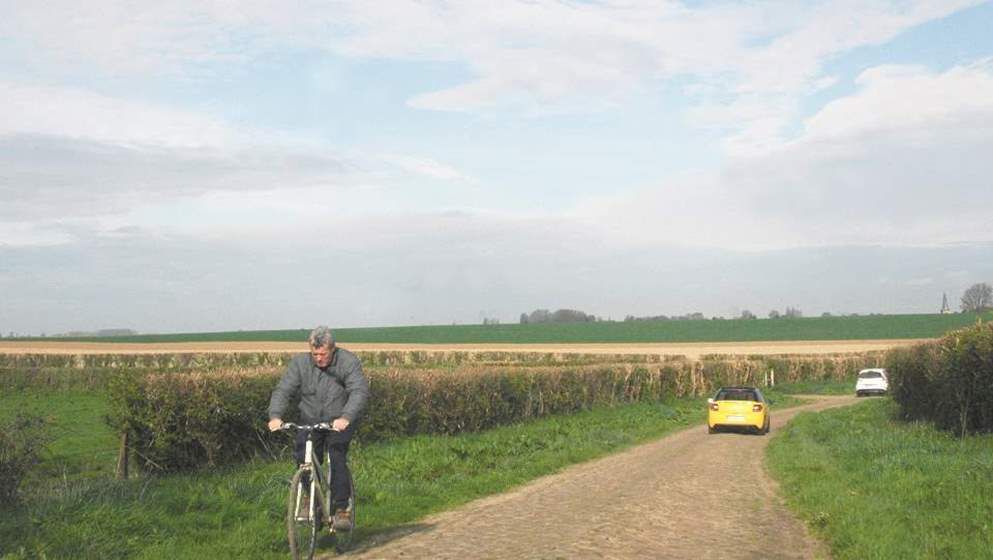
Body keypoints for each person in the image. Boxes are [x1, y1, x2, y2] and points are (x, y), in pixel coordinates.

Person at [268, 326, 369, 530]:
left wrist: (346, 417)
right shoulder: (299, 364)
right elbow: (283, 390)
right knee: (302, 456)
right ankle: (311, 501)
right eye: (315, 354)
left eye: (323, 354)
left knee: (336, 454)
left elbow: (359, 391)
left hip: (339, 421)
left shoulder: (348, 361)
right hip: (310, 419)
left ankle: (342, 509)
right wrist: (275, 416)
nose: (319, 358)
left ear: (332, 349)